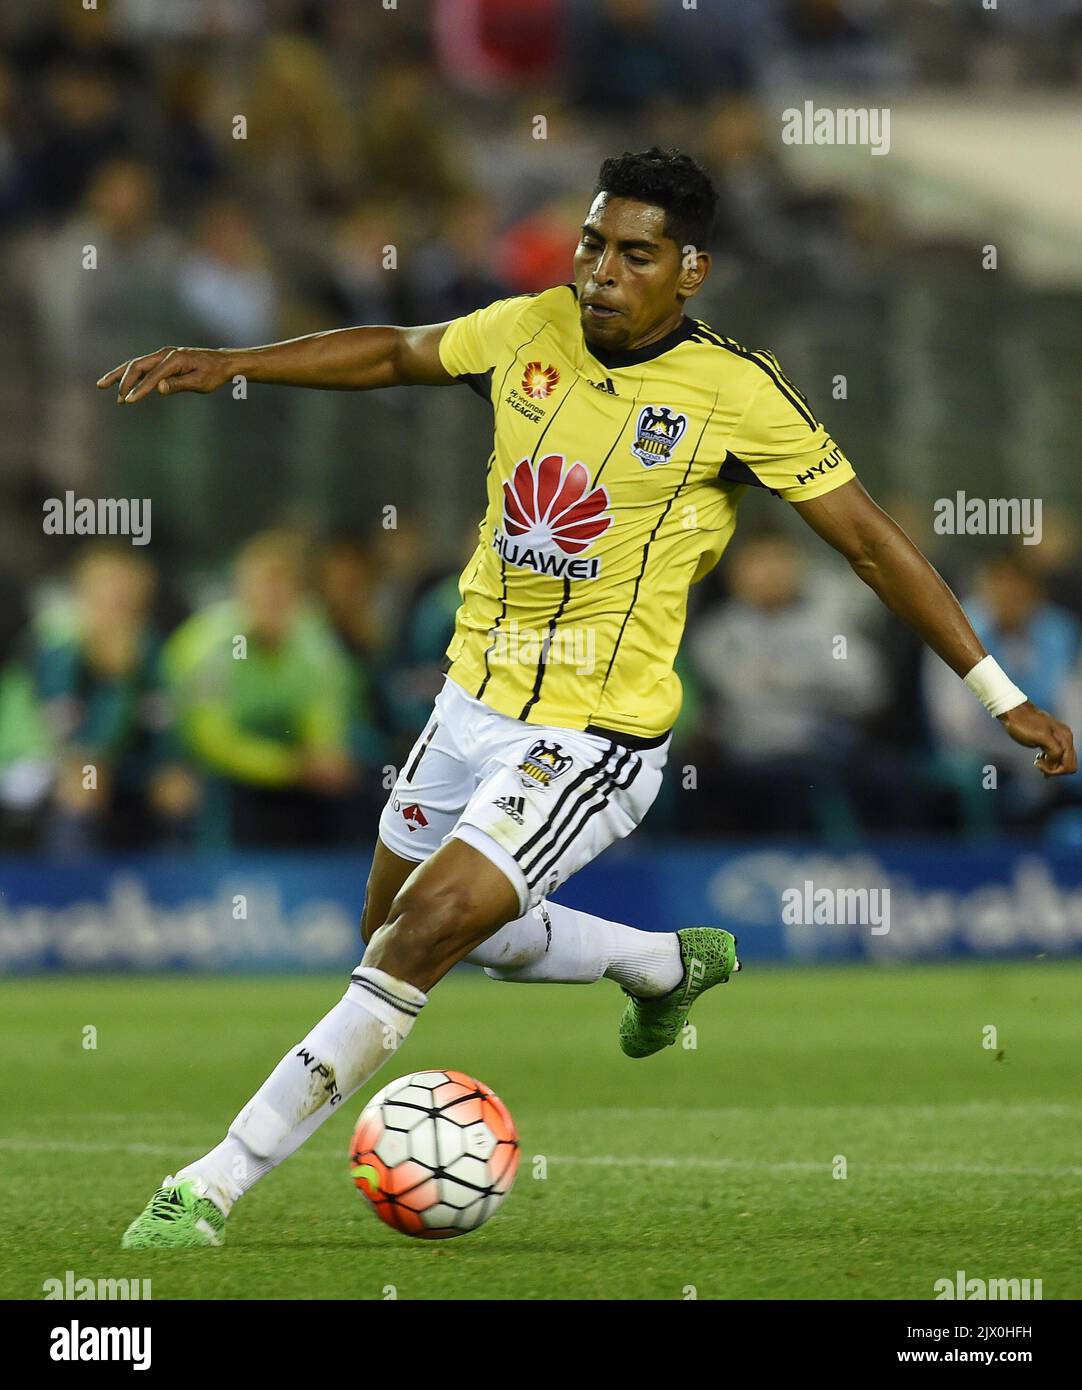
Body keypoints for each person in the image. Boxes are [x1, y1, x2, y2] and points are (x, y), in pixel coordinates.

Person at [97, 147, 1076, 1248]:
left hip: (596, 730)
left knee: (421, 932)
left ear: (689, 270)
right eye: (592, 244)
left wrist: (997, 690)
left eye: (634, 254)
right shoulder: (529, 328)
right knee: (389, 932)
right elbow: (395, 352)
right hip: (468, 701)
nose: (600, 271)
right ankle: (655, 962)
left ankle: (208, 1185)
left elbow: (867, 544)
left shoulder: (736, 393)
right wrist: (232, 362)